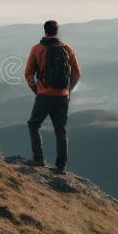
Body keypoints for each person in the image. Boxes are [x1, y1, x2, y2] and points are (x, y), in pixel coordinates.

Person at [24, 20, 81, 174]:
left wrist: (36, 89)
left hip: (44, 95)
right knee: (60, 130)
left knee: (33, 125)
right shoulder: (67, 49)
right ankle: (61, 166)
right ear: (57, 31)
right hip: (62, 97)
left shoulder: (37, 49)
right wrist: (68, 90)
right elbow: (76, 73)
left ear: (45, 31)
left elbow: (28, 74)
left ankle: (38, 159)